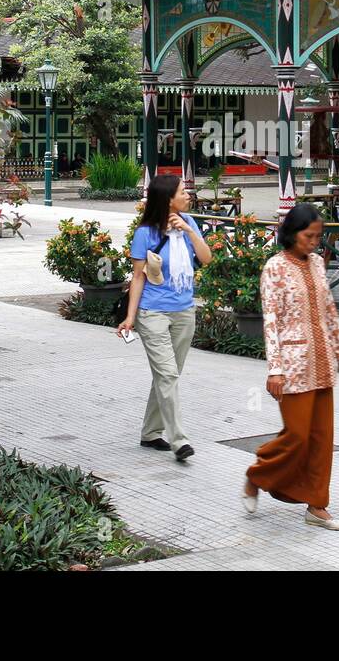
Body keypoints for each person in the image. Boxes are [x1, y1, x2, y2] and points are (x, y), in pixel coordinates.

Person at [242, 203, 339, 530]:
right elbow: (270, 321)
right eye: (309, 236)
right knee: (297, 436)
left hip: (322, 361)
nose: (314, 242)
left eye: (318, 236)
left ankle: (317, 505)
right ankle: (258, 475)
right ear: (292, 233)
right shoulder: (274, 268)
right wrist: (275, 369)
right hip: (293, 365)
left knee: (322, 438)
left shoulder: (318, 263)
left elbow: (329, 310)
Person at [117, 174, 213, 462]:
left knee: (167, 375)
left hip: (184, 311)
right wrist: (130, 317)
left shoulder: (188, 222)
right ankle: (179, 440)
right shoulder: (145, 233)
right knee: (168, 375)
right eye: (183, 192)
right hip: (153, 313)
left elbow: (206, 259)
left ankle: (150, 432)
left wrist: (189, 231)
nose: (188, 195)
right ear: (168, 199)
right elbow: (138, 277)